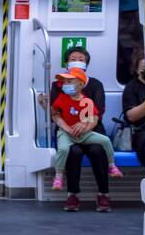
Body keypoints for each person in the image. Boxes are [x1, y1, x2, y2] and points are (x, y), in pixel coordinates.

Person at [43, 45, 113, 212]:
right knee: (74, 152)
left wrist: (85, 124)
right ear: (66, 64)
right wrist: (68, 128)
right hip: (67, 130)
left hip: (92, 129)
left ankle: (103, 194)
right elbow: (55, 111)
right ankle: (72, 195)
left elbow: (99, 109)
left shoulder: (95, 84)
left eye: (81, 60)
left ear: (86, 65)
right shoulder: (58, 85)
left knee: (97, 150)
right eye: (73, 59)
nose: (77, 62)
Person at [50, 67, 122, 194]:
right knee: (63, 149)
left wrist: (84, 128)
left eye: (69, 82)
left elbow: (92, 119)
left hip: (84, 134)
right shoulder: (61, 98)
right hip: (65, 133)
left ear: (81, 84)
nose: (65, 85)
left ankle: (112, 165)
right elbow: (54, 113)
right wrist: (66, 128)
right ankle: (58, 175)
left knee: (105, 140)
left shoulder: (87, 102)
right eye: (64, 82)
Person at [121, 47, 145, 167]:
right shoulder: (131, 87)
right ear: (137, 70)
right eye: (143, 69)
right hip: (140, 130)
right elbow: (131, 116)